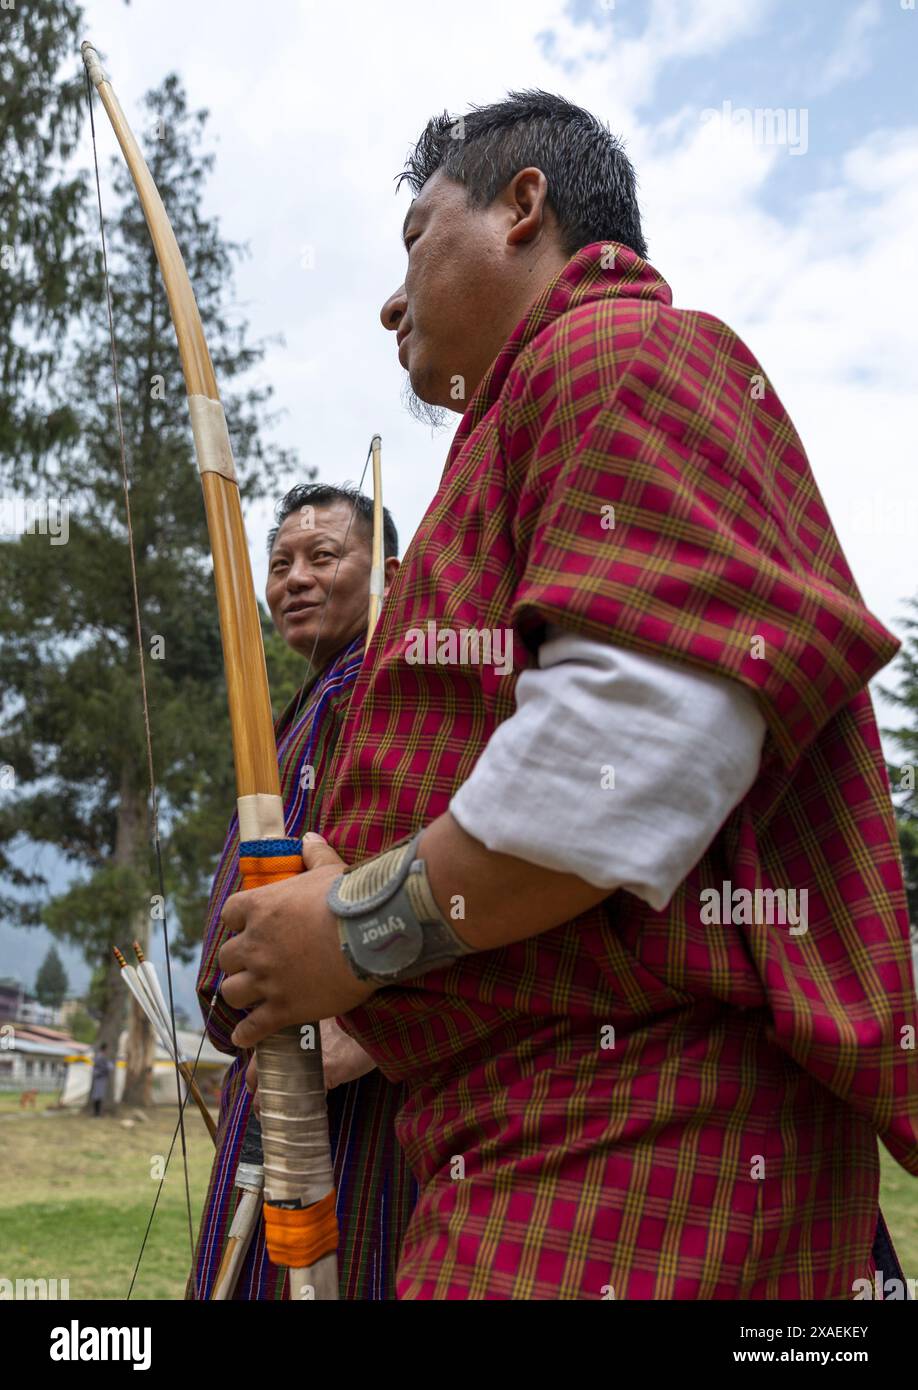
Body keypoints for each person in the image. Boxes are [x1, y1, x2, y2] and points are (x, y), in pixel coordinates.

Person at [218, 93, 918, 1299]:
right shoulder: (547, 403)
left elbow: (634, 751)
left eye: (414, 239)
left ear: (524, 207)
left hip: (629, 1145)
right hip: (537, 1137)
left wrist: (349, 932)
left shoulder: (622, 348)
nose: (391, 301)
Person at [191, 483, 417, 1300]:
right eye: (280, 563)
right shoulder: (324, 700)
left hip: (335, 1084)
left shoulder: (369, 698)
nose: (294, 579)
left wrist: (359, 1018)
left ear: (391, 575)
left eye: (324, 557)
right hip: (285, 1067)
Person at [90, 1041, 112, 1118]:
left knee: (98, 1095)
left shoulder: (100, 1056)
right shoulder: (101, 1057)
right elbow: (107, 1067)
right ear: (105, 1049)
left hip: (100, 1077)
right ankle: (97, 1113)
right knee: (98, 1095)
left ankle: (97, 1113)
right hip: (100, 1077)